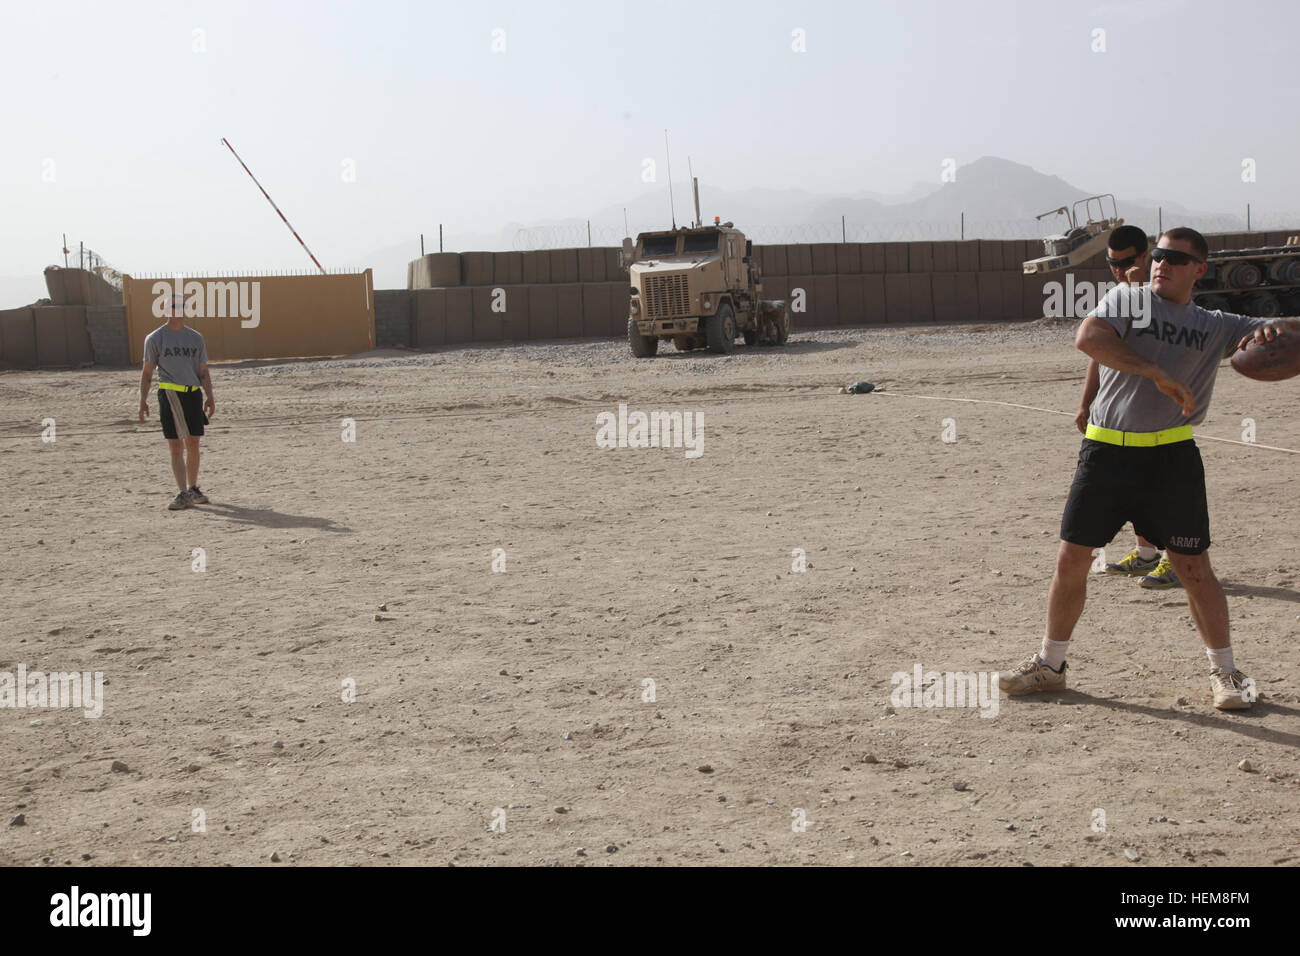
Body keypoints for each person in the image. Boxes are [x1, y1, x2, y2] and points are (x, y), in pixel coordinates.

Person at [1002, 227, 1300, 710]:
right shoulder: (1129, 299)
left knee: (1194, 569)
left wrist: (1275, 329)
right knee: (1072, 559)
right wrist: (1157, 372)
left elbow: (1284, 327)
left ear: (1200, 269)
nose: (1161, 263)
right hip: (1106, 454)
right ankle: (1050, 666)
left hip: (1171, 458)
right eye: (1158, 255)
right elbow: (1089, 337)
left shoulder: (1216, 324)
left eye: (1175, 259)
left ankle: (1226, 674)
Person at [1075, 224, 1180, 589]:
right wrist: (1086, 402)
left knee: (1166, 492)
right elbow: (1095, 351)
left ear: (1146, 255)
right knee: (1134, 490)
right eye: (1111, 264)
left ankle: (1176, 560)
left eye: (1126, 263)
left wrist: (1136, 288)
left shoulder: (1166, 295)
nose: (1119, 270)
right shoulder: (1120, 296)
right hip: (1117, 418)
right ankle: (1147, 554)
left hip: (1158, 415)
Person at [139, 293, 215, 510]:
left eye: (181, 305)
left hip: (192, 394)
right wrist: (142, 400)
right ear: (165, 310)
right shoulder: (155, 338)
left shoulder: (195, 338)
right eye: (173, 305)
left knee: (194, 441)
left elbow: (203, 370)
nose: (178, 308)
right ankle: (182, 492)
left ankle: (193, 488)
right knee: (175, 444)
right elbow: (146, 373)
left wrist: (210, 395)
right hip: (170, 393)